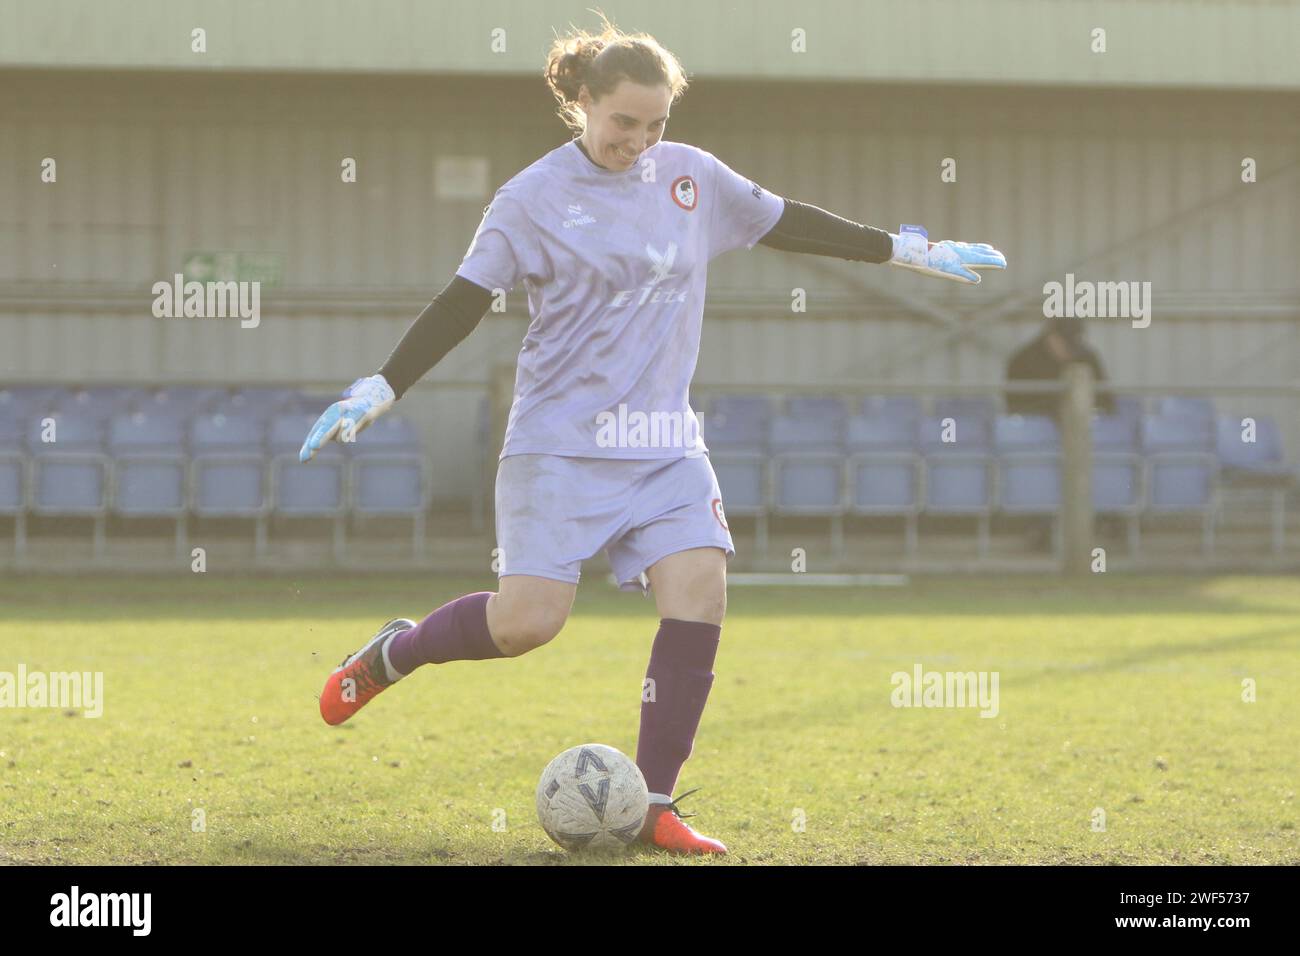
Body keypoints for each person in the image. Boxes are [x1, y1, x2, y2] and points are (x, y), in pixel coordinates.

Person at [298, 14, 1006, 855]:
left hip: (666, 440)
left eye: (656, 124)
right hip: (558, 443)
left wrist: (910, 252)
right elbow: (463, 300)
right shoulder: (529, 199)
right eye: (623, 122)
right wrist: (383, 384)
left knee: (701, 591)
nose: (638, 140)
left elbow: (791, 222)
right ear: (584, 104)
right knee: (527, 624)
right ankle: (396, 653)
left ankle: (653, 806)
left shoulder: (692, 179)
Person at [1004, 317, 1116, 420]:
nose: (1070, 351)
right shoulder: (1023, 361)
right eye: (1066, 343)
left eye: (1075, 342)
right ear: (1051, 336)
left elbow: (1106, 401)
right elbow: (1016, 405)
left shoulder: (1086, 358)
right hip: (1036, 430)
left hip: (1085, 426)